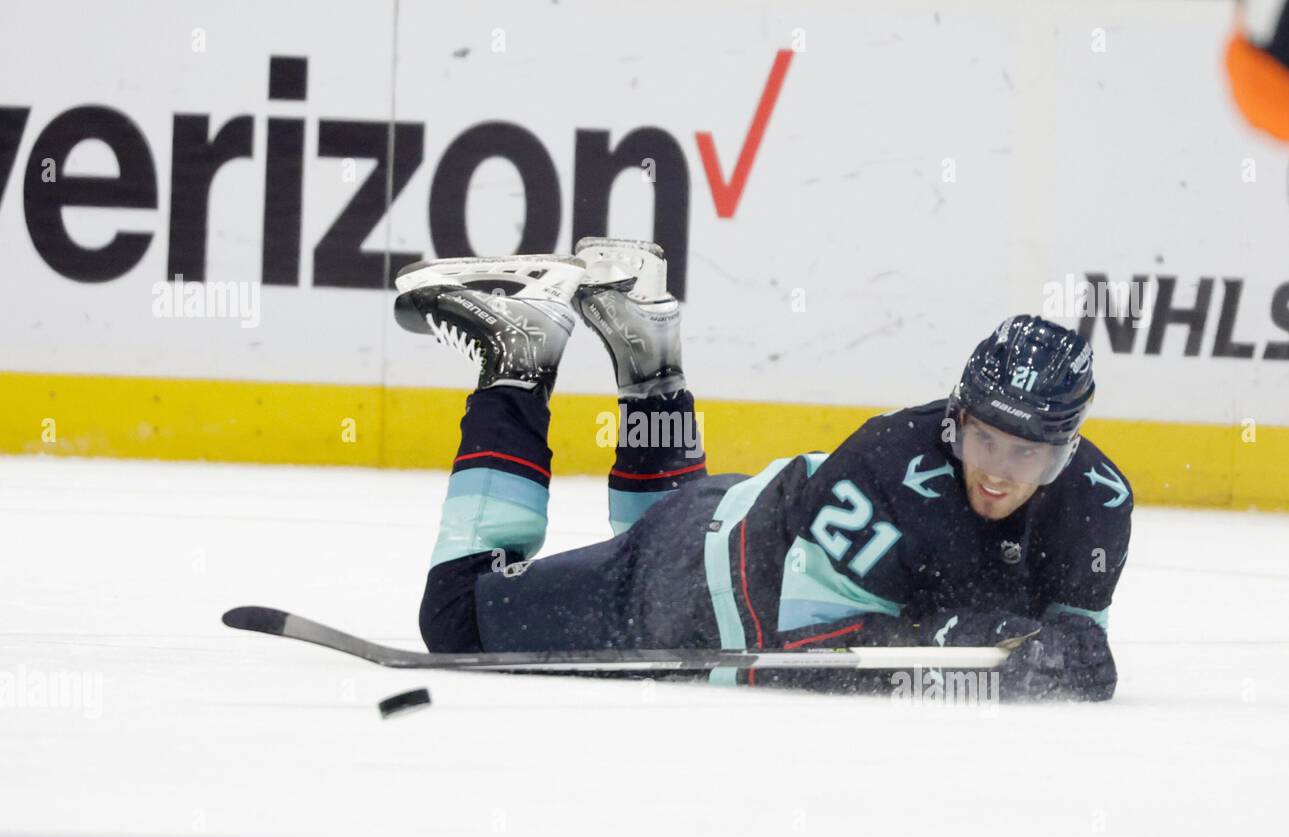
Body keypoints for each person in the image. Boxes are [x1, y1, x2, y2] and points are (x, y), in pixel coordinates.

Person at [393, 239, 1130, 701]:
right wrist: (982, 646)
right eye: (983, 441)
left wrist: (1064, 658)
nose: (997, 473)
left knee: (659, 517)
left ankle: (648, 350)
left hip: (735, 511)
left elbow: (1077, 651)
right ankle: (518, 363)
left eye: (1027, 453)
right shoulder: (884, 464)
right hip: (688, 589)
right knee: (455, 620)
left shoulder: (1098, 501)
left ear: (1066, 452)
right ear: (955, 416)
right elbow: (805, 650)